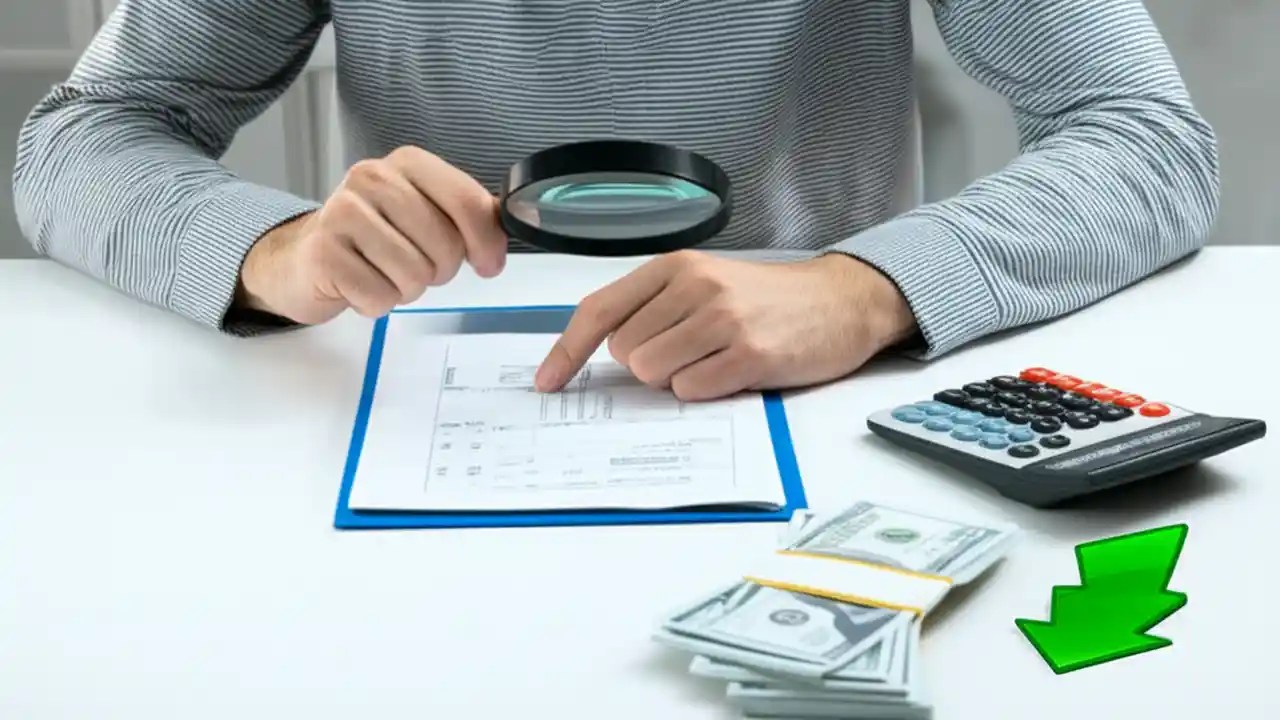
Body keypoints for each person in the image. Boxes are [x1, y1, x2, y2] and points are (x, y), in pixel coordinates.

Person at [12, 1, 1218, 401]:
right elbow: (79, 138)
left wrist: (863, 291)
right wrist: (274, 251)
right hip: (419, 404)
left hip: (825, 399)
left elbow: (1146, 136)